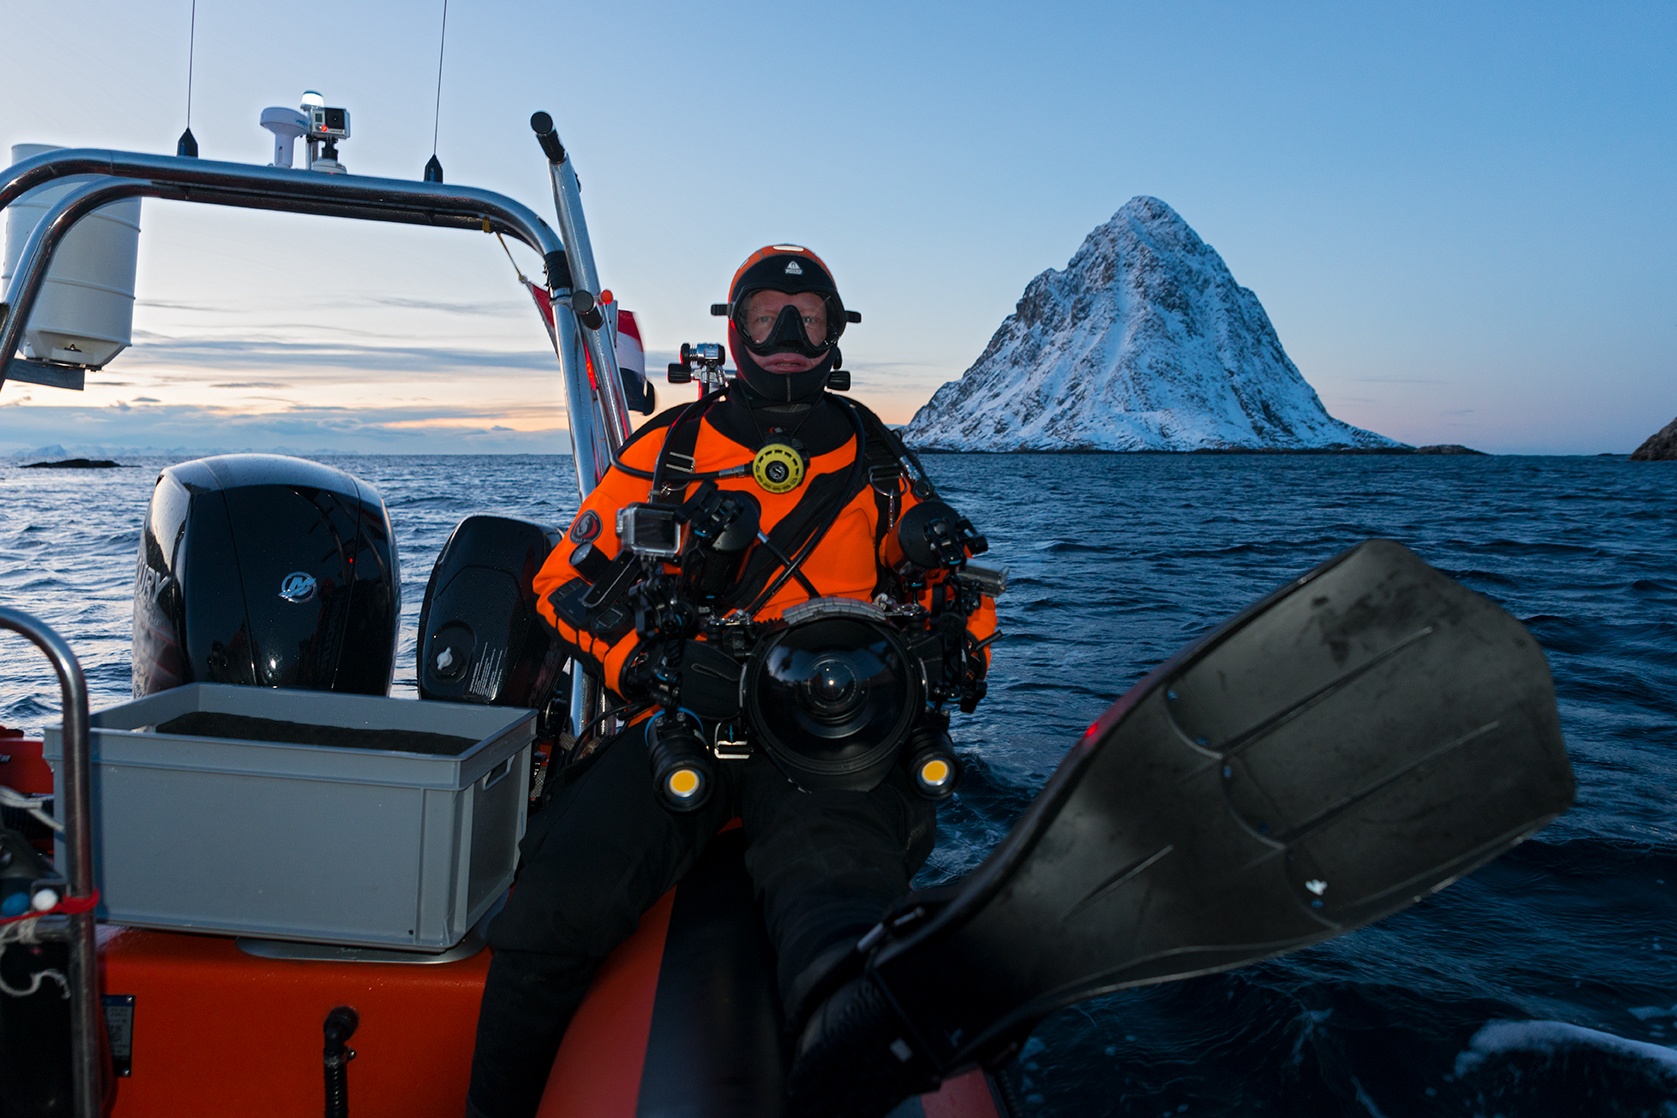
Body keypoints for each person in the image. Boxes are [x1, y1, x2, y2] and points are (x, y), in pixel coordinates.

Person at [465, 245, 996, 1118]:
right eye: (765, 318)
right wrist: (645, 660)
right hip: (689, 715)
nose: (787, 335)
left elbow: (957, 592)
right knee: (550, 918)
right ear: (734, 330)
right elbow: (563, 581)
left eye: (807, 318)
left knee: (841, 915)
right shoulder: (672, 450)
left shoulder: (875, 456)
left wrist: (951, 653)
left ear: (834, 334)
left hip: (824, 734)